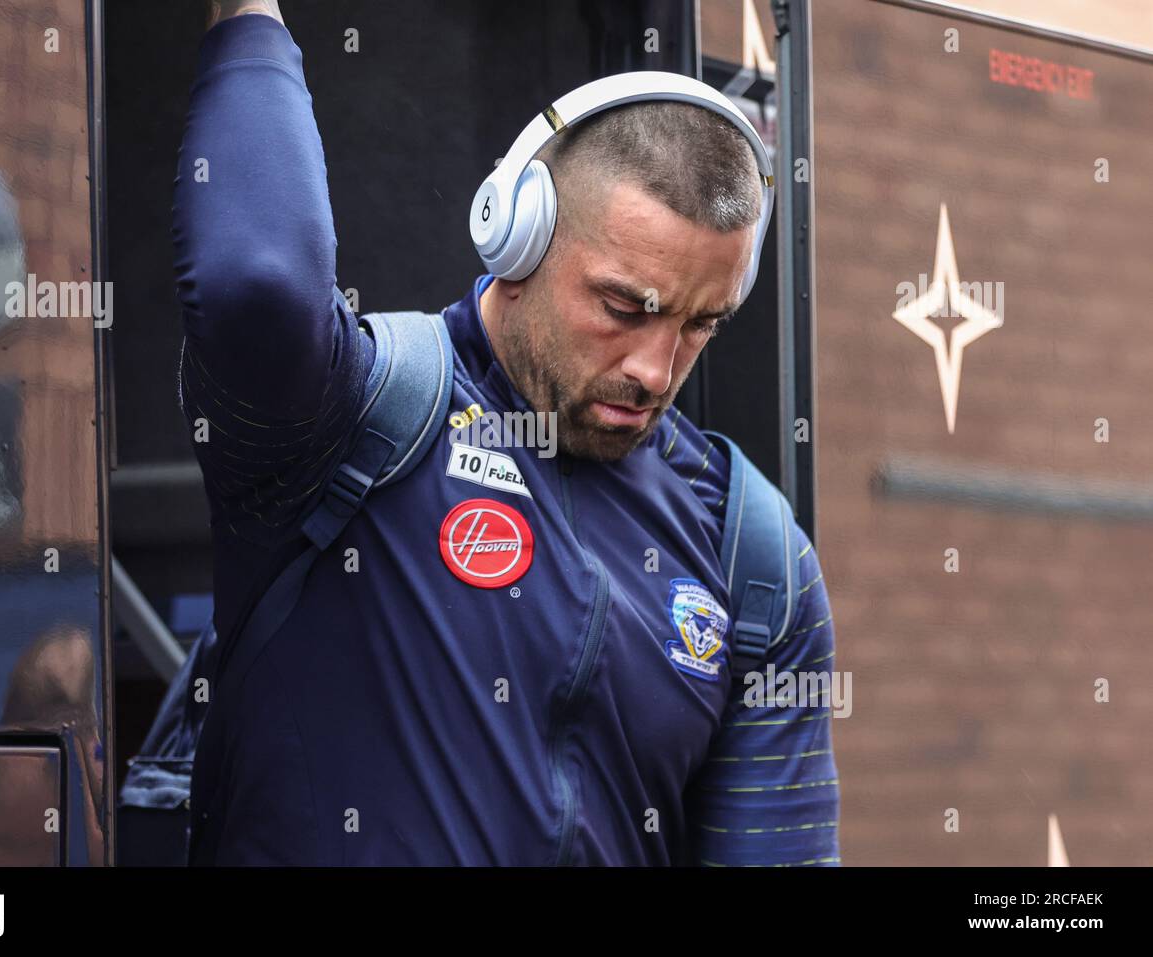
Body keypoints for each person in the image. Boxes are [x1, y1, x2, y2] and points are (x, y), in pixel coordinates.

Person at [171, 0, 840, 865]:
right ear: (514, 239)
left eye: (698, 323)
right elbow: (253, 282)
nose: (655, 366)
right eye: (622, 307)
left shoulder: (749, 550)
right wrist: (250, 18)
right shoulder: (348, 417)